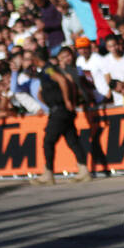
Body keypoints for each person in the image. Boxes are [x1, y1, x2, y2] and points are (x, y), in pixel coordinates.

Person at [28, 50, 91, 185]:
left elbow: (62, 80)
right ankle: (83, 170)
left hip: (60, 111)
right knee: (72, 140)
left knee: (48, 142)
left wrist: (67, 101)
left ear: (36, 59)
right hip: (60, 109)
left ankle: (48, 173)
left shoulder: (48, 69)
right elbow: (41, 93)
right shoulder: (46, 71)